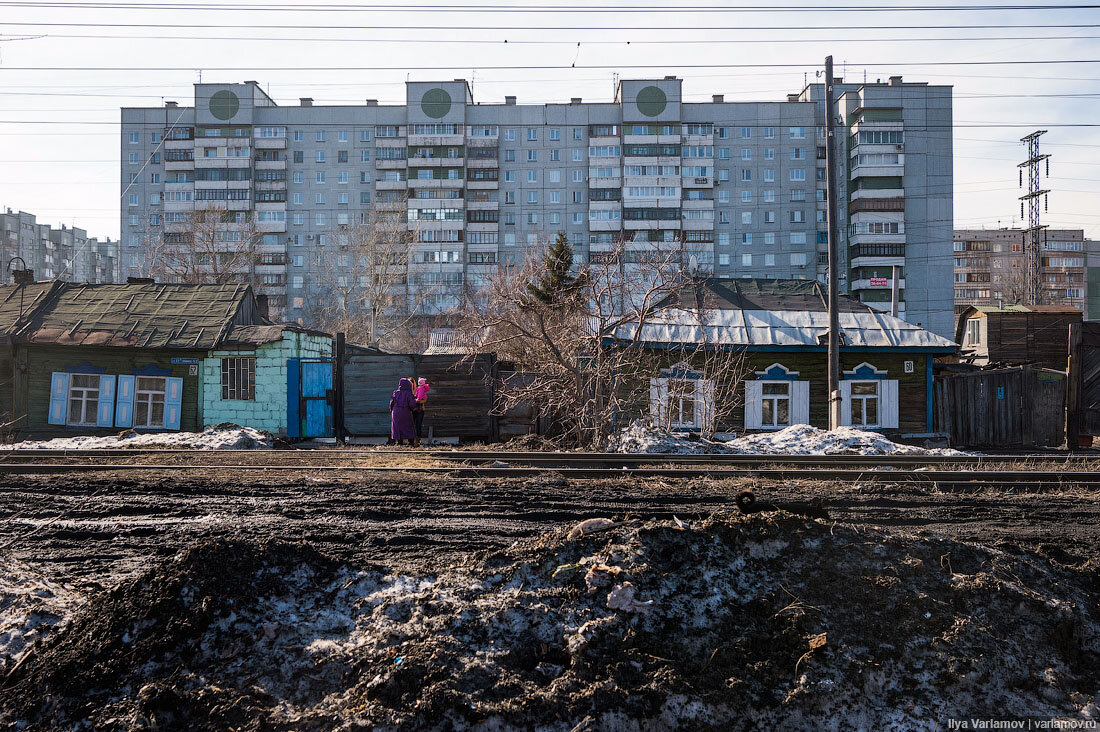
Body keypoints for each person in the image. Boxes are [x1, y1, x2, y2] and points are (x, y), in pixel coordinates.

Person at [389, 378, 416, 446]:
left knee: (397, 427)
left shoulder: (395, 393)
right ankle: (411, 442)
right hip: (405, 412)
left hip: (395, 412)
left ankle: (399, 442)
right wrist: (413, 408)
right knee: (408, 426)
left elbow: (391, 403)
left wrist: (391, 410)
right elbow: (412, 404)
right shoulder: (408, 393)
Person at [413, 377, 431, 446]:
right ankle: (416, 439)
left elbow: (420, 396)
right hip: (418, 408)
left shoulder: (420, 388)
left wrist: (417, 400)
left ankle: (417, 440)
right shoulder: (421, 388)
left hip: (418, 407)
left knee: (417, 424)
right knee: (417, 424)